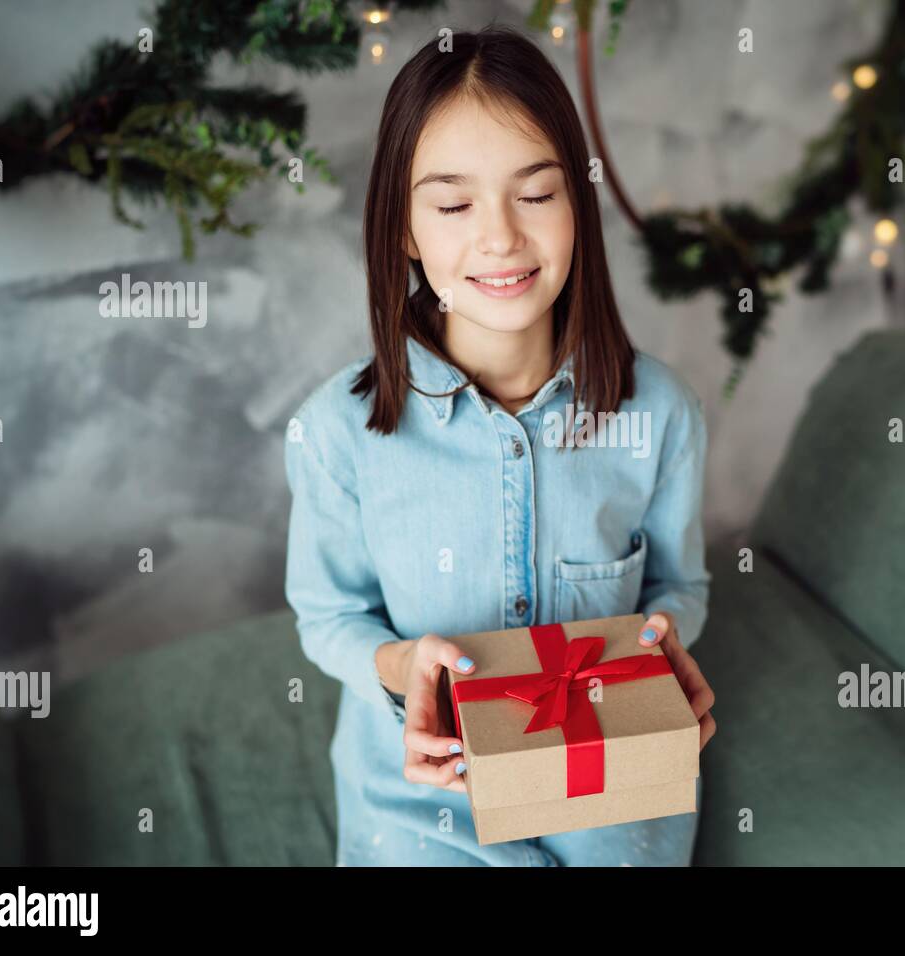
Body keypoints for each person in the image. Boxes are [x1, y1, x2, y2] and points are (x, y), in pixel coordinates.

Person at [284, 24, 715, 866]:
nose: (501, 238)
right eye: (452, 205)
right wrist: (403, 662)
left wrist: (661, 645)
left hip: (612, 787)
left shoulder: (661, 412)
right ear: (404, 229)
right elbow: (328, 615)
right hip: (420, 797)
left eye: (537, 193)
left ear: (577, 204)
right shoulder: (338, 430)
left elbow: (681, 584)